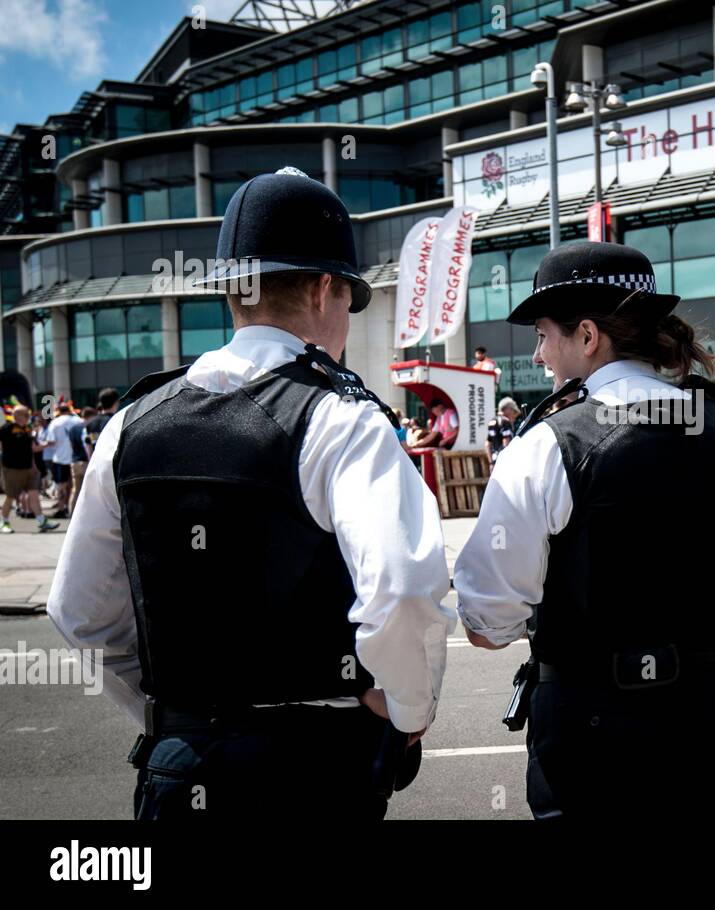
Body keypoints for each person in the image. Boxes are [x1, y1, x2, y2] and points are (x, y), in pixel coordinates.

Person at [46, 167, 455, 819]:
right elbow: (403, 587)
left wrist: (174, 719)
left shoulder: (130, 422)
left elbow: (78, 611)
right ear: (326, 289)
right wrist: (408, 706)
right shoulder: (342, 419)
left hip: (178, 772)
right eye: (348, 300)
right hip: (312, 770)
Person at [453, 240, 715, 820]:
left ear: (589, 336)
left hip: (596, 729)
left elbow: (487, 622)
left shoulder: (547, 445)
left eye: (544, 334)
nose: (540, 354)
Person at [0, 405, 59, 533]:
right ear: (16, 416)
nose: (29, 417)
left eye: (28, 414)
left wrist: (46, 446)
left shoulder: (28, 429)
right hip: (12, 469)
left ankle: (42, 521)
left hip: (29, 469)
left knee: (34, 494)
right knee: (11, 497)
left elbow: (32, 449)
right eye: (25, 415)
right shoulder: (7, 429)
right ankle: (4, 521)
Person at [67, 406, 94, 517]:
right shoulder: (87, 428)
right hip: (85, 461)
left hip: (74, 461)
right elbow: (86, 445)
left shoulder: (73, 429)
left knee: (75, 490)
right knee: (89, 491)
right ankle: (86, 515)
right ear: (90, 416)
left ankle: (71, 513)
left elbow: (70, 445)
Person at [486, 397, 520, 466]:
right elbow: (506, 442)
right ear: (508, 409)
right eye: (513, 411)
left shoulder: (492, 421)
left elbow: (487, 444)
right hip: (504, 461)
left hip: (495, 460)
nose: (514, 416)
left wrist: (490, 463)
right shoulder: (505, 421)